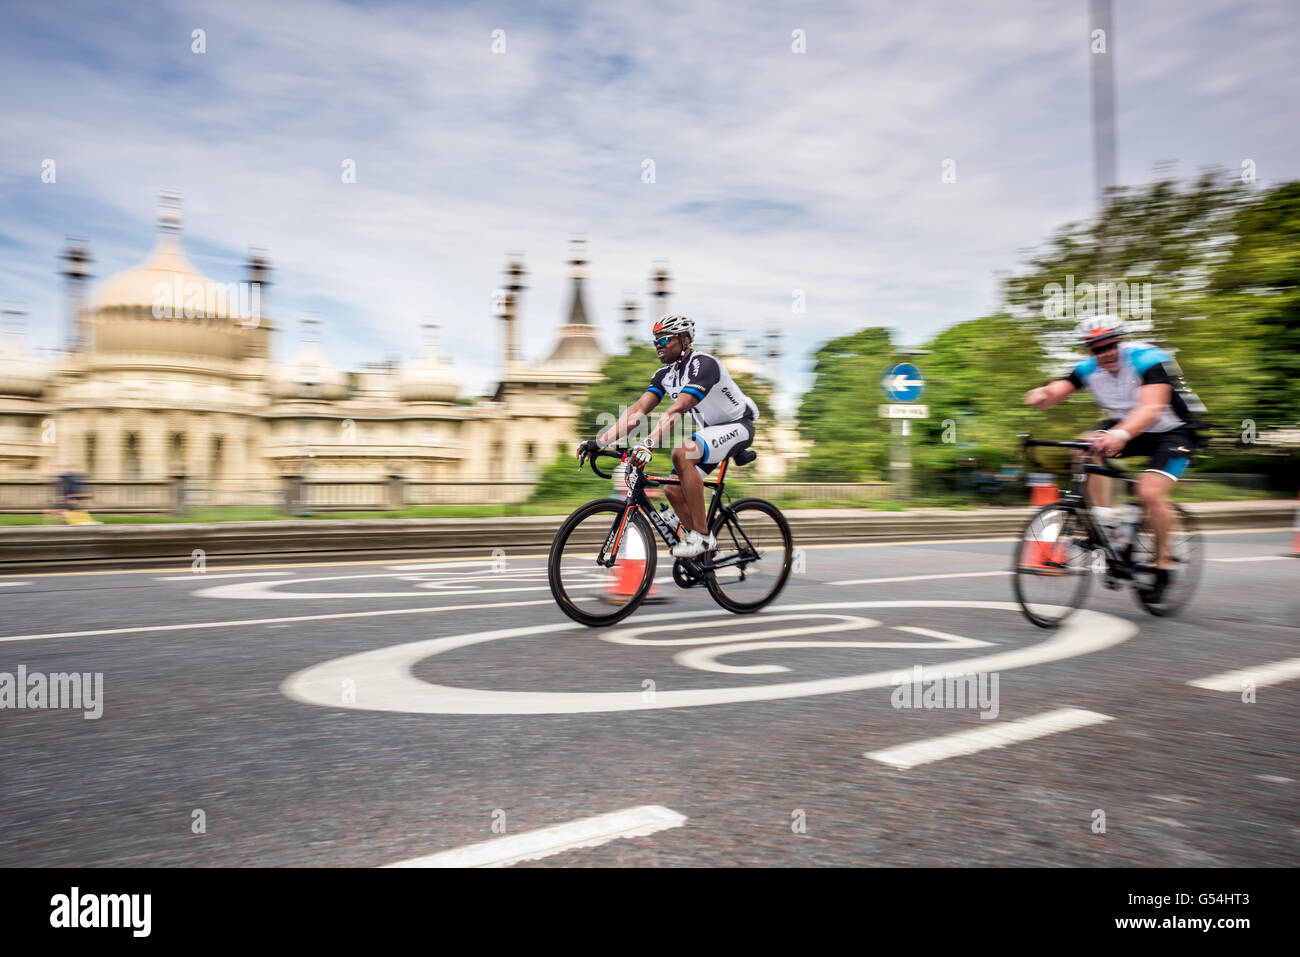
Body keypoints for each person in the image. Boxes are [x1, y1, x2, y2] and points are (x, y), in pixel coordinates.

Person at [1023, 316, 1204, 602]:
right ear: (1089, 351)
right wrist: (1041, 394)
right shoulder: (1088, 369)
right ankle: (1107, 526)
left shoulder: (1148, 359)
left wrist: (1120, 435)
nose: (1105, 353)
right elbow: (1057, 390)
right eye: (1096, 349)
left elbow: (1153, 408)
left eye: (1110, 345)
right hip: (1130, 426)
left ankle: (1162, 565)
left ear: (1120, 342)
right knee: (1085, 444)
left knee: (1148, 490)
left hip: (1173, 430)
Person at [579, 314, 758, 558]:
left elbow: (678, 410)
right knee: (673, 491)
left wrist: (648, 444)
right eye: (655, 341)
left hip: (738, 425)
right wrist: (599, 441)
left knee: (681, 453)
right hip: (711, 432)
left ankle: (703, 538)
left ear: (684, 340)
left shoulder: (703, 365)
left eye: (664, 340)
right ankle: (706, 554)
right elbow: (638, 411)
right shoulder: (665, 375)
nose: (658, 346)